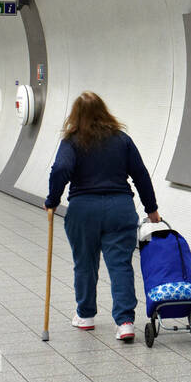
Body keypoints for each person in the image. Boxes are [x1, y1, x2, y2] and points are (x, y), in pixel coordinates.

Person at [45, 92, 160, 342]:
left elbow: (62, 169)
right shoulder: (122, 140)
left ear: (75, 115)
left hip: (83, 210)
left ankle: (85, 316)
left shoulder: (72, 141)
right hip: (120, 208)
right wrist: (151, 209)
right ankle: (126, 323)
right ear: (104, 111)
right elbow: (141, 175)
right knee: (120, 265)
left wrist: (52, 200)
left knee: (85, 263)